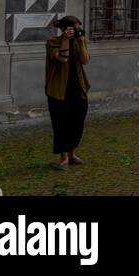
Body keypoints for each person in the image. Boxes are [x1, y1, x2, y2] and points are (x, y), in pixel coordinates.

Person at [45, 15, 90, 171]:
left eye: (78, 27)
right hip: (58, 90)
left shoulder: (79, 42)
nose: (77, 30)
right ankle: (63, 158)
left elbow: (85, 60)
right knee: (61, 124)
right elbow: (62, 59)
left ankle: (72, 154)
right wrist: (65, 40)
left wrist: (81, 42)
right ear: (64, 29)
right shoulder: (52, 42)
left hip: (78, 88)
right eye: (74, 28)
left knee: (77, 122)